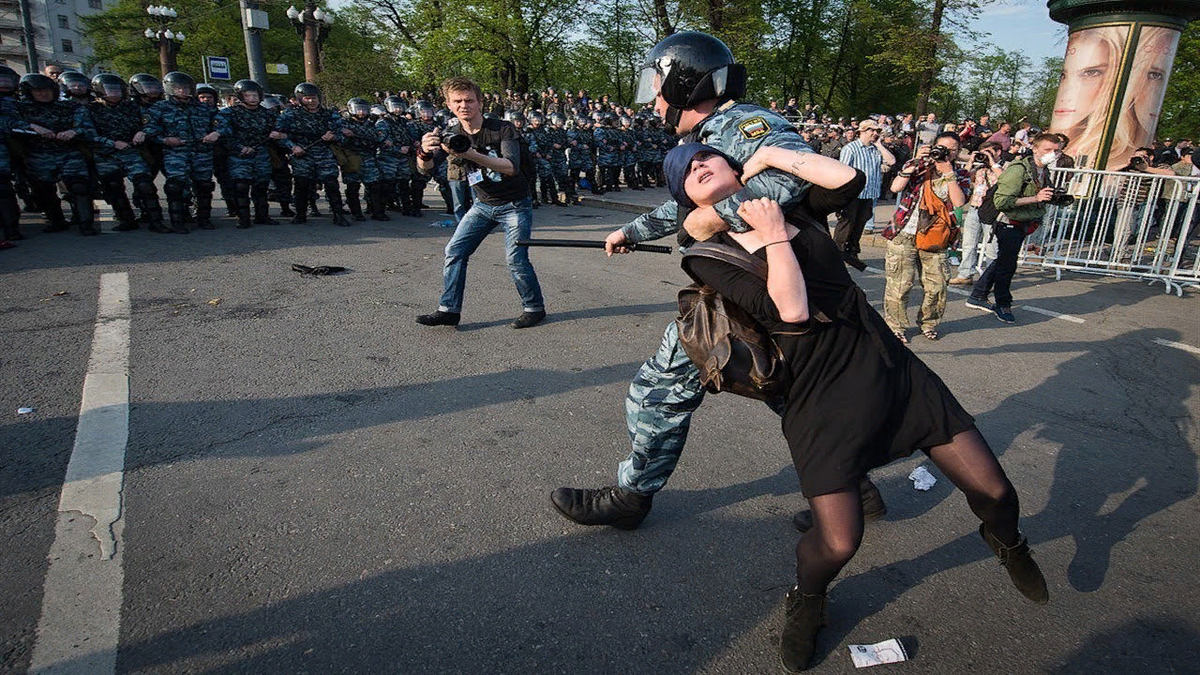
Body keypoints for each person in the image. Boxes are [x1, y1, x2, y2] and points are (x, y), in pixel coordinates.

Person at [663, 142, 1047, 673]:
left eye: (710, 158)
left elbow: (845, 180)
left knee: (995, 490)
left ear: (733, 165)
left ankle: (1008, 542)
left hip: (886, 365)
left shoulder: (792, 205)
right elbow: (791, 312)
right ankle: (809, 599)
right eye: (687, 170)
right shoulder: (707, 254)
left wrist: (769, 153)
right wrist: (772, 237)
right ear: (682, 193)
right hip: (817, 390)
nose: (700, 166)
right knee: (840, 541)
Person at [551, 31, 889, 536]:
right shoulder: (713, 132)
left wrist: (707, 222)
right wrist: (631, 230)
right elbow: (687, 205)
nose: (656, 100)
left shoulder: (747, 124)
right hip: (750, 288)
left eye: (660, 87)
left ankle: (632, 495)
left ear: (686, 84)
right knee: (787, 390)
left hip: (757, 287)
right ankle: (854, 487)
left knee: (658, 391)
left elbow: (788, 182)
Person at [413, 76, 546, 330]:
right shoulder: (450, 135)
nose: (464, 106)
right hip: (483, 205)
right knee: (454, 252)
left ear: (480, 102)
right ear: (449, 104)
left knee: (515, 259)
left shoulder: (502, 128)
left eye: (469, 100)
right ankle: (449, 309)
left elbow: (511, 167)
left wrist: (470, 154)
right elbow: (425, 171)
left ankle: (534, 308)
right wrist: (424, 152)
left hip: (514, 204)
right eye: (458, 101)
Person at [966, 133, 1064, 323]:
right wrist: (1035, 198)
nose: (1053, 154)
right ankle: (1002, 304)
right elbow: (1002, 201)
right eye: (1048, 150)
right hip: (1008, 222)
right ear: (1035, 148)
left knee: (1003, 260)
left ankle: (978, 295)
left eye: (1057, 150)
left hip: (1024, 222)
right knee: (1007, 266)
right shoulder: (1019, 169)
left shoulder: (1043, 170)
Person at [883, 132, 968, 342]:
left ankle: (929, 323)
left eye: (952, 149)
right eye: (941, 147)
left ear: (957, 152)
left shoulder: (961, 173)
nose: (945, 152)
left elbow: (959, 202)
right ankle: (896, 327)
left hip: (936, 237)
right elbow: (895, 188)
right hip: (905, 232)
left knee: (937, 286)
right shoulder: (921, 166)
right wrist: (914, 163)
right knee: (900, 285)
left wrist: (948, 174)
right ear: (933, 146)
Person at [80, 73, 166, 233]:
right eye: (109, 90)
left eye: (117, 89)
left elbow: (152, 124)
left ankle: (156, 221)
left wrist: (142, 132)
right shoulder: (90, 110)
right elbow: (87, 133)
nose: (114, 93)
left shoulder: (133, 107)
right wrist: (111, 143)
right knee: (113, 188)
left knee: (145, 185)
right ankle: (126, 219)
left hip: (131, 152)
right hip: (106, 155)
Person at [143, 72, 221, 233]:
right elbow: (149, 130)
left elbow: (222, 124)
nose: (184, 91)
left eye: (186, 88)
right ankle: (177, 222)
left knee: (204, 186)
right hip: (176, 152)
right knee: (175, 187)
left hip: (201, 151)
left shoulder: (204, 108)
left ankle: (203, 218)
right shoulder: (160, 108)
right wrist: (164, 140)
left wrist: (216, 133)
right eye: (179, 88)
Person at [18, 73, 94, 235]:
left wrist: (74, 131)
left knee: (80, 187)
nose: (44, 94)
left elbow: (87, 126)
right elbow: (7, 122)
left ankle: (86, 223)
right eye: (38, 91)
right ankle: (56, 221)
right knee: (43, 191)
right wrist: (32, 127)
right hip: (38, 154)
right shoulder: (20, 108)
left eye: (47, 90)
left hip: (68, 152)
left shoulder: (69, 106)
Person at [274, 82, 350, 226]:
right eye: (307, 98)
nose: (311, 101)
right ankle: (300, 214)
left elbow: (344, 134)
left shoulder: (330, 115)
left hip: (325, 154)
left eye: (314, 98)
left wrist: (334, 137)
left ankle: (338, 215)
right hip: (302, 155)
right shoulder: (290, 115)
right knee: (301, 185)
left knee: (331, 184)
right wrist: (292, 147)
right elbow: (279, 135)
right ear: (300, 99)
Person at [216, 79, 282, 229]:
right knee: (241, 186)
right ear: (241, 97)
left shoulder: (268, 114)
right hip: (239, 155)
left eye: (255, 95)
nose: (252, 98)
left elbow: (278, 130)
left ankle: (262, 216)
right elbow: (223, 134)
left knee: (261, 187)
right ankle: (243, 217)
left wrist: (279, 135)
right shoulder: (229, 113)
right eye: (248, 95)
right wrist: (239, 147)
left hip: (261, 154)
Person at [835, 119, 895, 270]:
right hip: (853, 194)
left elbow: (892, 161)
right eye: (871, 130)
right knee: (846, 224)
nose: (874, 134)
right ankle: (837, 253)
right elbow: (843, 171)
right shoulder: (851, 148)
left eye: (877, 131)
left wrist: (880, 144)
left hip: (869, 194)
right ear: (861, 131)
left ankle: (853, 252)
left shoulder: (876, 149)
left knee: (860, 224)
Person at [951, 140, 1004, 284]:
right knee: (969, 243)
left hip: (993, 210)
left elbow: (1005, 180)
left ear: (998, 152)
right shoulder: (980, 167)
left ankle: (990, 280)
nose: (985, 156)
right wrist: (972, 161)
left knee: (992, 247)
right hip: (975, 207)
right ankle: (965, 274)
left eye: (989, 152)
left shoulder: (1005, 166)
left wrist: (992, 162)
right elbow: (963, 177)